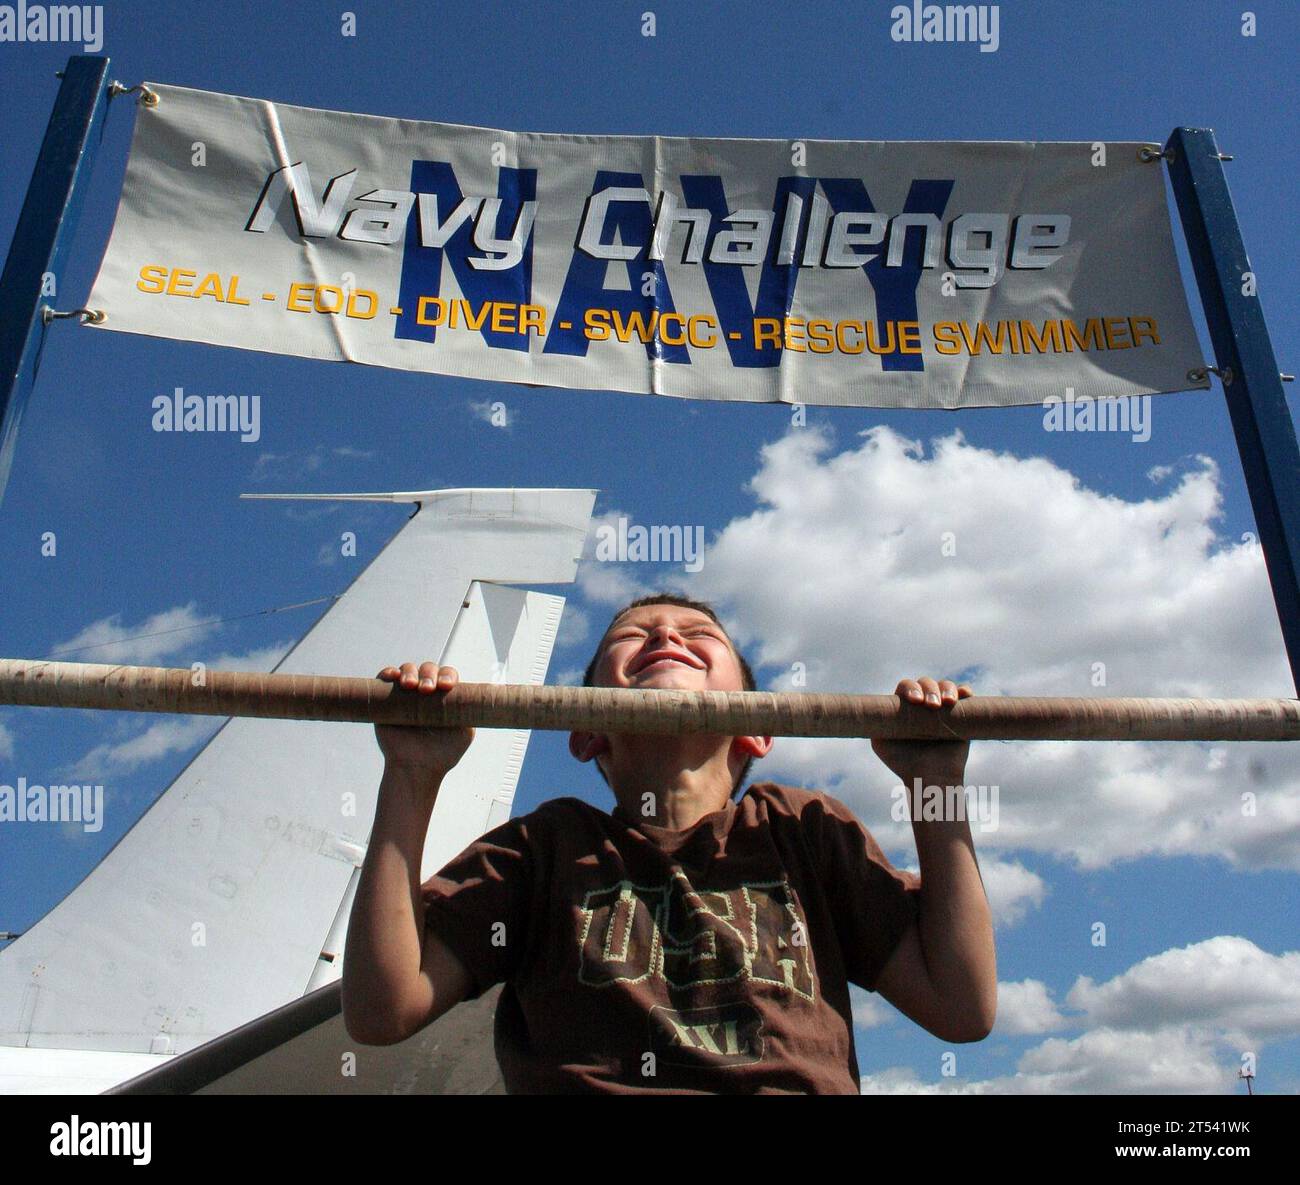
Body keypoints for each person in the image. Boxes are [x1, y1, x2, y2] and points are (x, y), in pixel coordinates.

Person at [341, 593, 996, 1093]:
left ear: (759, 724)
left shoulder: (802, 830)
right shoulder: (545, 848)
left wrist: (934, 783)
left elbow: (961, 1005)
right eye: (633, 636)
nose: (662, 634)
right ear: (585, 729)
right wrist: (410, 774)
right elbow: (382, 1010)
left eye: (696, 635)